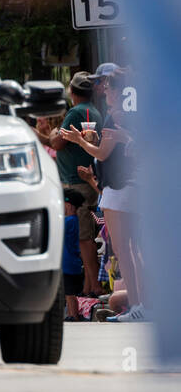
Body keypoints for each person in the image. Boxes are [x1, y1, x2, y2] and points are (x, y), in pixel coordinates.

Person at [64, 66, 141, 322]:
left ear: (117, 90)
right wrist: (94, 140)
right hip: (125, 186)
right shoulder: (125, 112)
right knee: (131, 249)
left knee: (123, 250)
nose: (104, 90)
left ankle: (139, 305)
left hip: (117, 189)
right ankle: (142, 304)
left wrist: (80, 141)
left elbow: (102, 154)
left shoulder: (116, 113)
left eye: (107, 86)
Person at [37, 71, 103, 296]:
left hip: (77, 184)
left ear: (72, 92)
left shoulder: (75, 112)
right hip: (82, 182)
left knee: (84, 238)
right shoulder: (93, 111)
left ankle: (94, 285)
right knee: (83, 237)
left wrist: (53, 132)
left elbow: (56, 143)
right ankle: (87, 285)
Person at [61, 190, 85, 321]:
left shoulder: (69, 221)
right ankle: (71, 314)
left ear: (69, 206)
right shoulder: (72, 220)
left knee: (70, 294)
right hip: (71, 263)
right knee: (68, 293)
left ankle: (73, 315)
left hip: (68, 265)